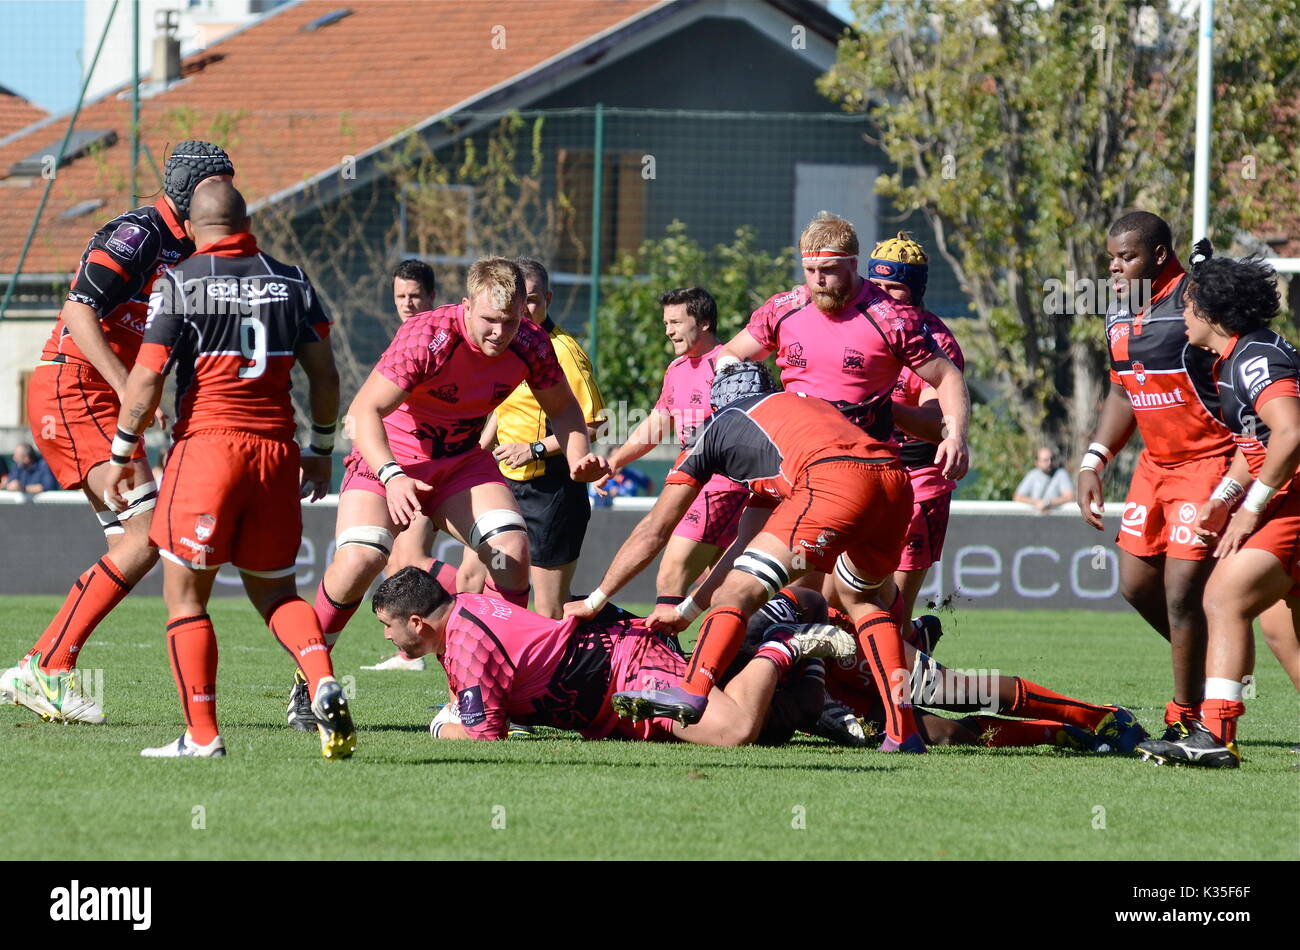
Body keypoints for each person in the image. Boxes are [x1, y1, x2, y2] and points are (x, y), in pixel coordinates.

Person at [95, 181, 351, 759]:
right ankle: (321, 681)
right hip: (277, 453)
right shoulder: (292, 280)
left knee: (186, 598)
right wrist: (322, 450)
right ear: (246, 221)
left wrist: (121, 451)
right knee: (279, 593)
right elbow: (326, 377)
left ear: (189, 228)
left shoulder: (181, 281)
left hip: (208, 448)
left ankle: (203, 735)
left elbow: (146, 377)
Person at [296, 257, 609, 727]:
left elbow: (565, 409)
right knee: (363, 557)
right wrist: (392, 476)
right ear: (466, 306)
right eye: (489, 321)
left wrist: (579, 452)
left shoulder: (530, 341)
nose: (499, 333)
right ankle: (309, 682)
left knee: (510, 550)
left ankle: (491, 683)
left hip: (460, 462)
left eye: (510, 322)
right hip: (389, 458)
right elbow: (364, 413)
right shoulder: (429, 335)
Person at [566, 361, 931, 752]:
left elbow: (655, 528)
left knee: (734, 594)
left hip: (832, 480)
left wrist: (594, 600)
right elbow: (747, 543)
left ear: (718, 403)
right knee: (864, 600)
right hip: (892, 481)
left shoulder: (719, 426)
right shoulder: (793, 410)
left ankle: (691, 692)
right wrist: (687, 611)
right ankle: (903, 731)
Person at [0, 141, 234, 725]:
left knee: (134, 544)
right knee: (147, 533)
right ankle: (46, 667)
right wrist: (131, 385)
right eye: (216, 186)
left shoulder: (195, 248)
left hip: (104, 396)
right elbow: (79, 311)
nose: (227, 197)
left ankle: (44, 664)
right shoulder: (138, 232)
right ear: (186, 191)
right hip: (73, 387)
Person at [1075, 213, 1237, 745]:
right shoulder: (1117, 315)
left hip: (1209, 462)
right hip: (1154, 467)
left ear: (1161, 255)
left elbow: (1244, 361)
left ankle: (1188, 714)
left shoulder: (1198, 302)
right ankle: (1217, 659)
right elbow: (1124, 392)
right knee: (1134, 584)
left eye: (1128, 257)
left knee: (1182, 591)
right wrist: (1094, 460)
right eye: (1112, 259)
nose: (1116, 268)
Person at [372, 566, 845, 746]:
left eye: (386, 627)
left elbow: (483, 736)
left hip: (629, 668)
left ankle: (785, 642)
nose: (387, 638)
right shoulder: (463, 612)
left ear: (417, 623)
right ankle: (790, 649)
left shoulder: (466, 640)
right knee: (781, 724)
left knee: (737, 731)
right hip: (616, 699)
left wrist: (440, 726)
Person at [1137, 256, 1299, 768]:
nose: (1182, 312)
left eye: (1188, 304)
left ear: (1212, 310)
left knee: (1223, 598)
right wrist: (1223, 498)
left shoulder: (1256, 358)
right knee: (1282, 627)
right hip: (1280, 498)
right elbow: (1255, 445)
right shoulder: (1234, 358)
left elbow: (1291, 433)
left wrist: (1250, 512)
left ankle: (1215, 733)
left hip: (1290, 503)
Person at [757, 587, 1146, 751]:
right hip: (824, 689)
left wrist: (815, 632)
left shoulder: (743, 624)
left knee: (952, 692)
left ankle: (1104, 717)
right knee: (943, 735)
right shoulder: (717, 694)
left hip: (840, 640)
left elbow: (809, 596)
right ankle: (1061, 733)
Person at [461, 258, 606, 619]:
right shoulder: (507, 344)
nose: (523, 309)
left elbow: (592, 424)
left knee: (548, 609)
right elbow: (503, 409)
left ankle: (619, 631)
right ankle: (466, 666)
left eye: (533, 300)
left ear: (549, 300)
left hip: (552, 493)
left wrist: (534, 449)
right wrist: (475, 456)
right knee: (470, 577)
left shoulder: (564, 352)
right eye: (517, 299)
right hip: (504, 485)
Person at [602, 287, 750, 610]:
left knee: (671, 574)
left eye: (676, 322)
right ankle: (745, 651)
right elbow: (657, 423)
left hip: (723, 486)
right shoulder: (676, 369)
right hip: (692, 485)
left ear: (705, 321)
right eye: (666, 323)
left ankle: (661, 654)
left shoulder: (730, 364)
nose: (668, 330)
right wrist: (616, 461)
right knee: (729, 589)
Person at [869, 233, 968, 622]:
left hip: (917, 482)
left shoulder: (932, 342)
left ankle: (907, 657)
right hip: (859, 477)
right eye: (874, 286)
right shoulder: (857, 328)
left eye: (893, 288)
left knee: (890, 612)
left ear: (915, 290)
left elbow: (937, 426)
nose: (881, 297)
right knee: (832, 604)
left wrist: (878, 407)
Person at [365, 258, 449, 671]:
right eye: (401, 295)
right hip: (400, 464)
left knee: (409, 557)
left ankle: (473, 593)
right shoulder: (404, 335)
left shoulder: (443, 339)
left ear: (432, 296)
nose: (408, 303)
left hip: (431, 467)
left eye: (416, 295)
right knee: (396, 559)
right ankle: (410, 651)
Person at [1013, 447, 1075, 512]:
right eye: (1046, 460)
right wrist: (1037, 503)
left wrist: (1048, 503)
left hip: (1056, 518)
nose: (1049, 463)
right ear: (1037, 462)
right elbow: (1017, 497)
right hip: (1035, 519)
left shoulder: (1061, 474)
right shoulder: (1032, 475)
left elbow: (1069, 497)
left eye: (1052, 459)